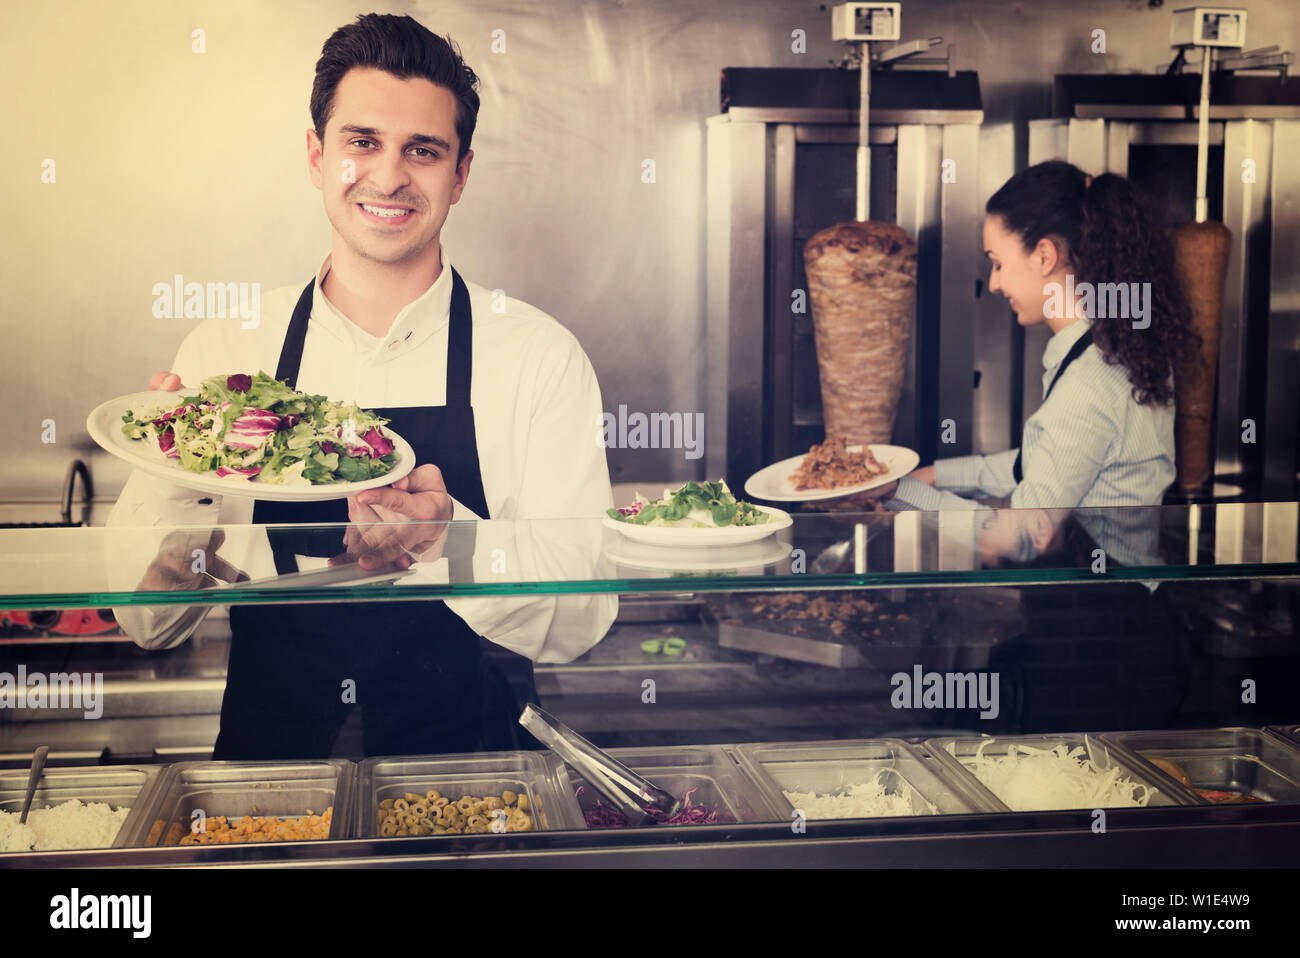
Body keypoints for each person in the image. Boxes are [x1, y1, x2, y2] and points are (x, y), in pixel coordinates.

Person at [107, 13, 617, 760]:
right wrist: (177, 494)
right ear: (317, 156)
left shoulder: (538, 356)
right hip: (271, 785)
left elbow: (582, 620)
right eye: (362, 143)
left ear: (461, 174)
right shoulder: (225, 354)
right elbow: (145, 624)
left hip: (474, 787)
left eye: (423, 150)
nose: (388, 177)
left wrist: (453, 542)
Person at [877, 160, 1198, 566]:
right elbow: (1043, 461)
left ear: (1044, 255)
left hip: (1107, 615)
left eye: (997, 262)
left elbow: (1022, 538)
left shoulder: (1089, 382)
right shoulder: (1115, 348)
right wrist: (933, 476)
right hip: (1124, 604)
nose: (994, 283)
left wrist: (899, 495)